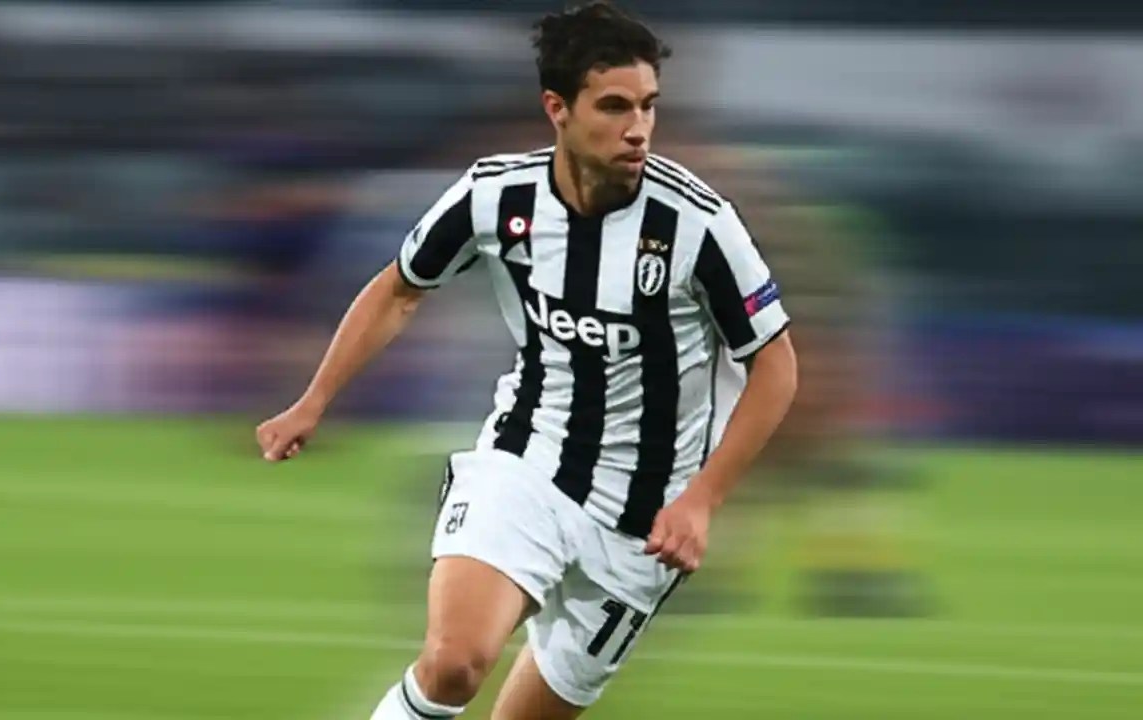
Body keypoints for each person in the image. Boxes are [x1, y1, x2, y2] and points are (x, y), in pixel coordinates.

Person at [255, 3, 799, 718]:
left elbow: (776, 364)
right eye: (613, 106)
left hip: (646, 521)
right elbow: (399, 289)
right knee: (453, 666)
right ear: (558, 108)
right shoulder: (494, 197)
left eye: (648, 106)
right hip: (528, 464)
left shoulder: (698, 225)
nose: (637, 128)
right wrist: (314, 400)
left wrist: (703, 499)